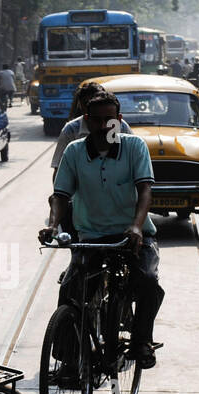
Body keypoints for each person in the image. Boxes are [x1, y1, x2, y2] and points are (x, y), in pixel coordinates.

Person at [40, 91, 163, 368]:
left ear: (119, 120)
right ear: (87, 121)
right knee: (71, 290)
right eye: (97, 120)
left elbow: (145, 190)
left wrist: (136, 226)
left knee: (147, 280)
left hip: (132, 236)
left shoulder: (135, 147)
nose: (103, 126)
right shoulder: (74, 152)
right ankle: (69, 361)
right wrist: (51, 224)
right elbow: (60, 195)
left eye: (110, 119)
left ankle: (142, 340)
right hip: (92, 237)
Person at [50, 81, 134, 177]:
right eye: (87, 103)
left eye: (97, 102)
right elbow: (59, 170)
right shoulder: (71, 130)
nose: (94, 107)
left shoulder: (122, 127)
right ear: (81, 106)